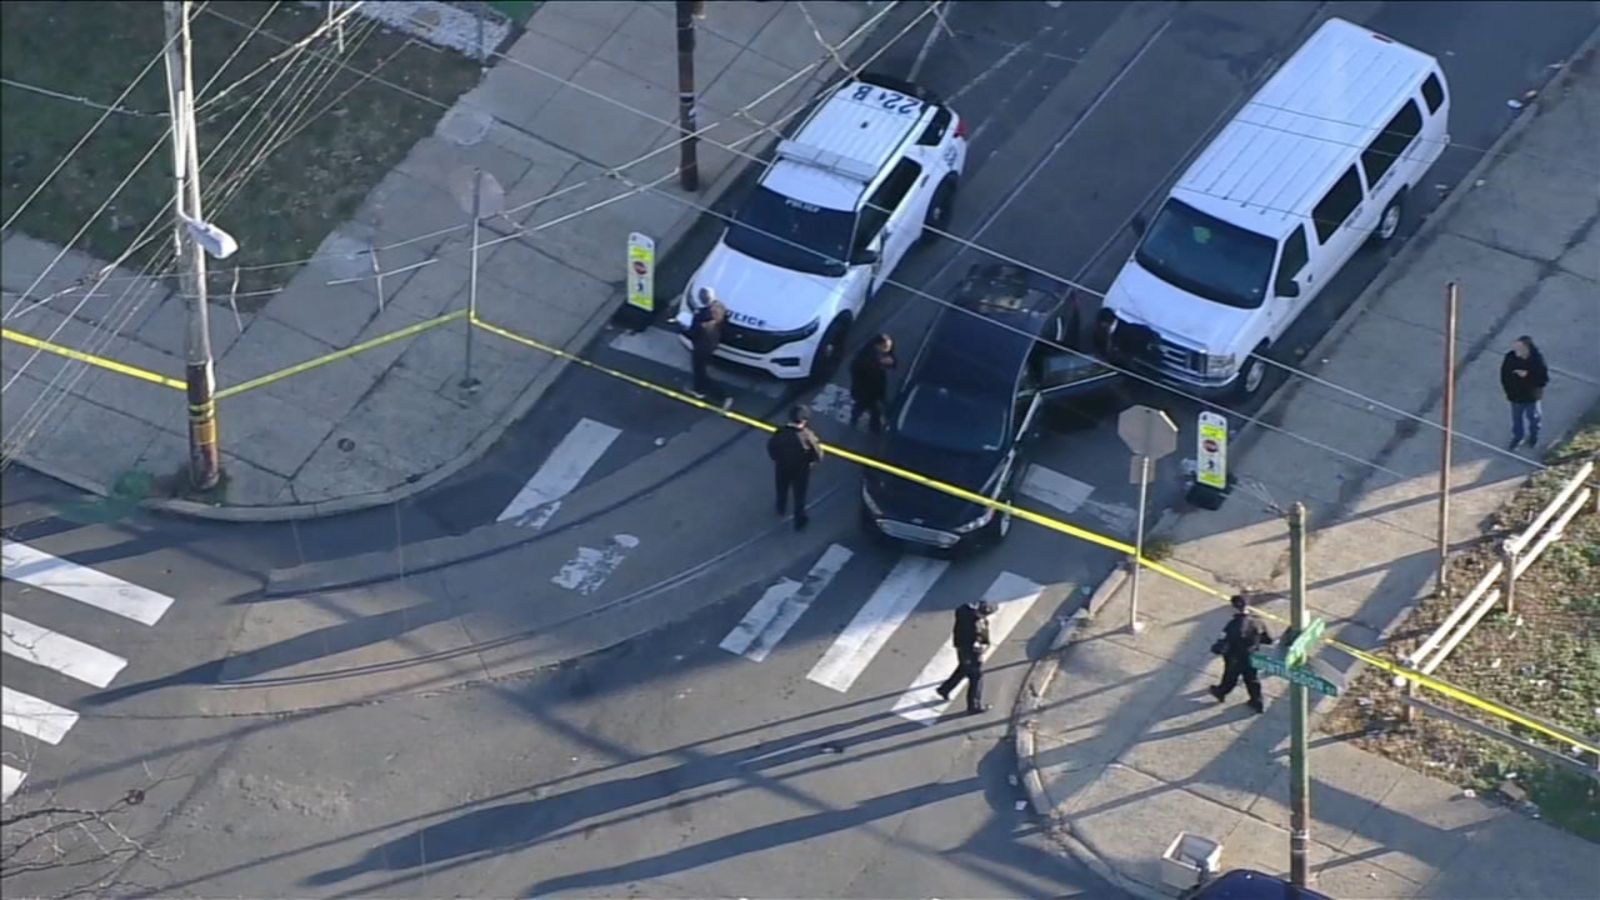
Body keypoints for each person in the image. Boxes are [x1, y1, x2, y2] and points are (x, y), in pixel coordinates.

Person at [1209, 594, 1274, 714]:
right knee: (1252, 679)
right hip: (1251, 655)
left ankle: (1221, 692)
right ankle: (1257, 702)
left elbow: (1224, 642)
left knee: (1230, 677)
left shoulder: (1233, 625)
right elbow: (1269, 639)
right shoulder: (1258, 622)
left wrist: (1216, 648)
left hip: (1235, 657)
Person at [767, 405, 824, 531]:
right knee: (799, 496)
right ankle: (799, 521)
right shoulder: (807, 436)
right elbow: (817, 454)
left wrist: (778, 459)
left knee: (781, 488)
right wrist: (811, 462)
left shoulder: (780, 432)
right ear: (804, 420)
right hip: (800, 470)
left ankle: (780, 507)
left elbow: (771, 447)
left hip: (782, 467)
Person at [936, 600, 994, 715]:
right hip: (969, 652)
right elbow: (978, 639)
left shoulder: (964, 612)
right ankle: (974, 706)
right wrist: (980, 650)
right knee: (976, 677)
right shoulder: (975, 626)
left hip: (961, 648)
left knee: (963, 669)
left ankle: (945, 689)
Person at [1500, 335, 1549, 450]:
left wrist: (1527, 375)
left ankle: (1534, 436)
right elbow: (1504, 375)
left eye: (1519, 348)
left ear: (1527, 348)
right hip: (1516, 396)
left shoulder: (1537, 360)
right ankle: (1518, 437)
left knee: (1534, 417)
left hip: (1531, 396)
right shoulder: (1510, 357)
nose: (1516, 351)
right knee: (1517, 418)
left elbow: (1543, 379)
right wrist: (1509, 391)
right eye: (1515, 348)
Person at [687, 288, 733, 410]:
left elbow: (693, 331)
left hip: (701, 345)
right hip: (713, 342)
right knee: (699, 369)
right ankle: (698, 390)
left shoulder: (701, 314)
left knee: (699, 370)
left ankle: (722, 397)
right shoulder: (720, 307)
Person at [849, 334, 896, 433]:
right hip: (864, 390)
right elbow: (857, 370)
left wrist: (891, 362)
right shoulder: (864, 356)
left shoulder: (884, 353)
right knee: (869, 408)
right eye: (885, 347)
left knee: (872, 409)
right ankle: (871, 428)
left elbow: (893, 360)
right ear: (877, 345)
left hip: (878, 388)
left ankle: (872, 427)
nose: (888, 350)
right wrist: (878, 362)